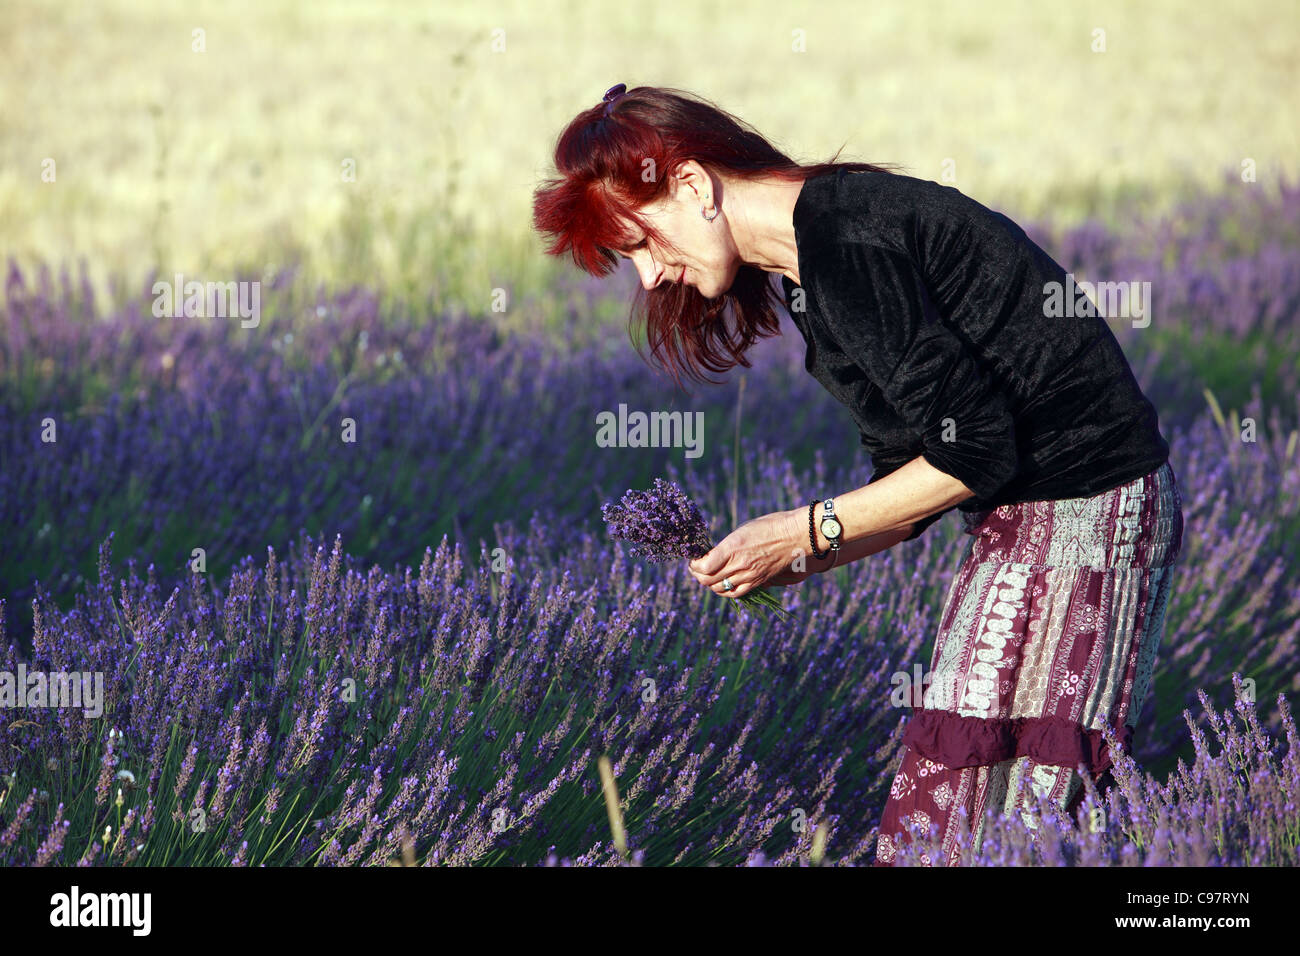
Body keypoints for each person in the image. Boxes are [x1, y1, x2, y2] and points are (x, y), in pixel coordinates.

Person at [532, 84, 1184, 866]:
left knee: (1014, 820)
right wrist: (790, 556)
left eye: (639, 242)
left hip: (1090, 515)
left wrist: (807, 529)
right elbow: (909, 480)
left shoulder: (848, 242)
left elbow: (973, 451)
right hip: (1027, 523)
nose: (647, 278)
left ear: (694, 185)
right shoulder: (812, 268)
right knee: (967, 817)